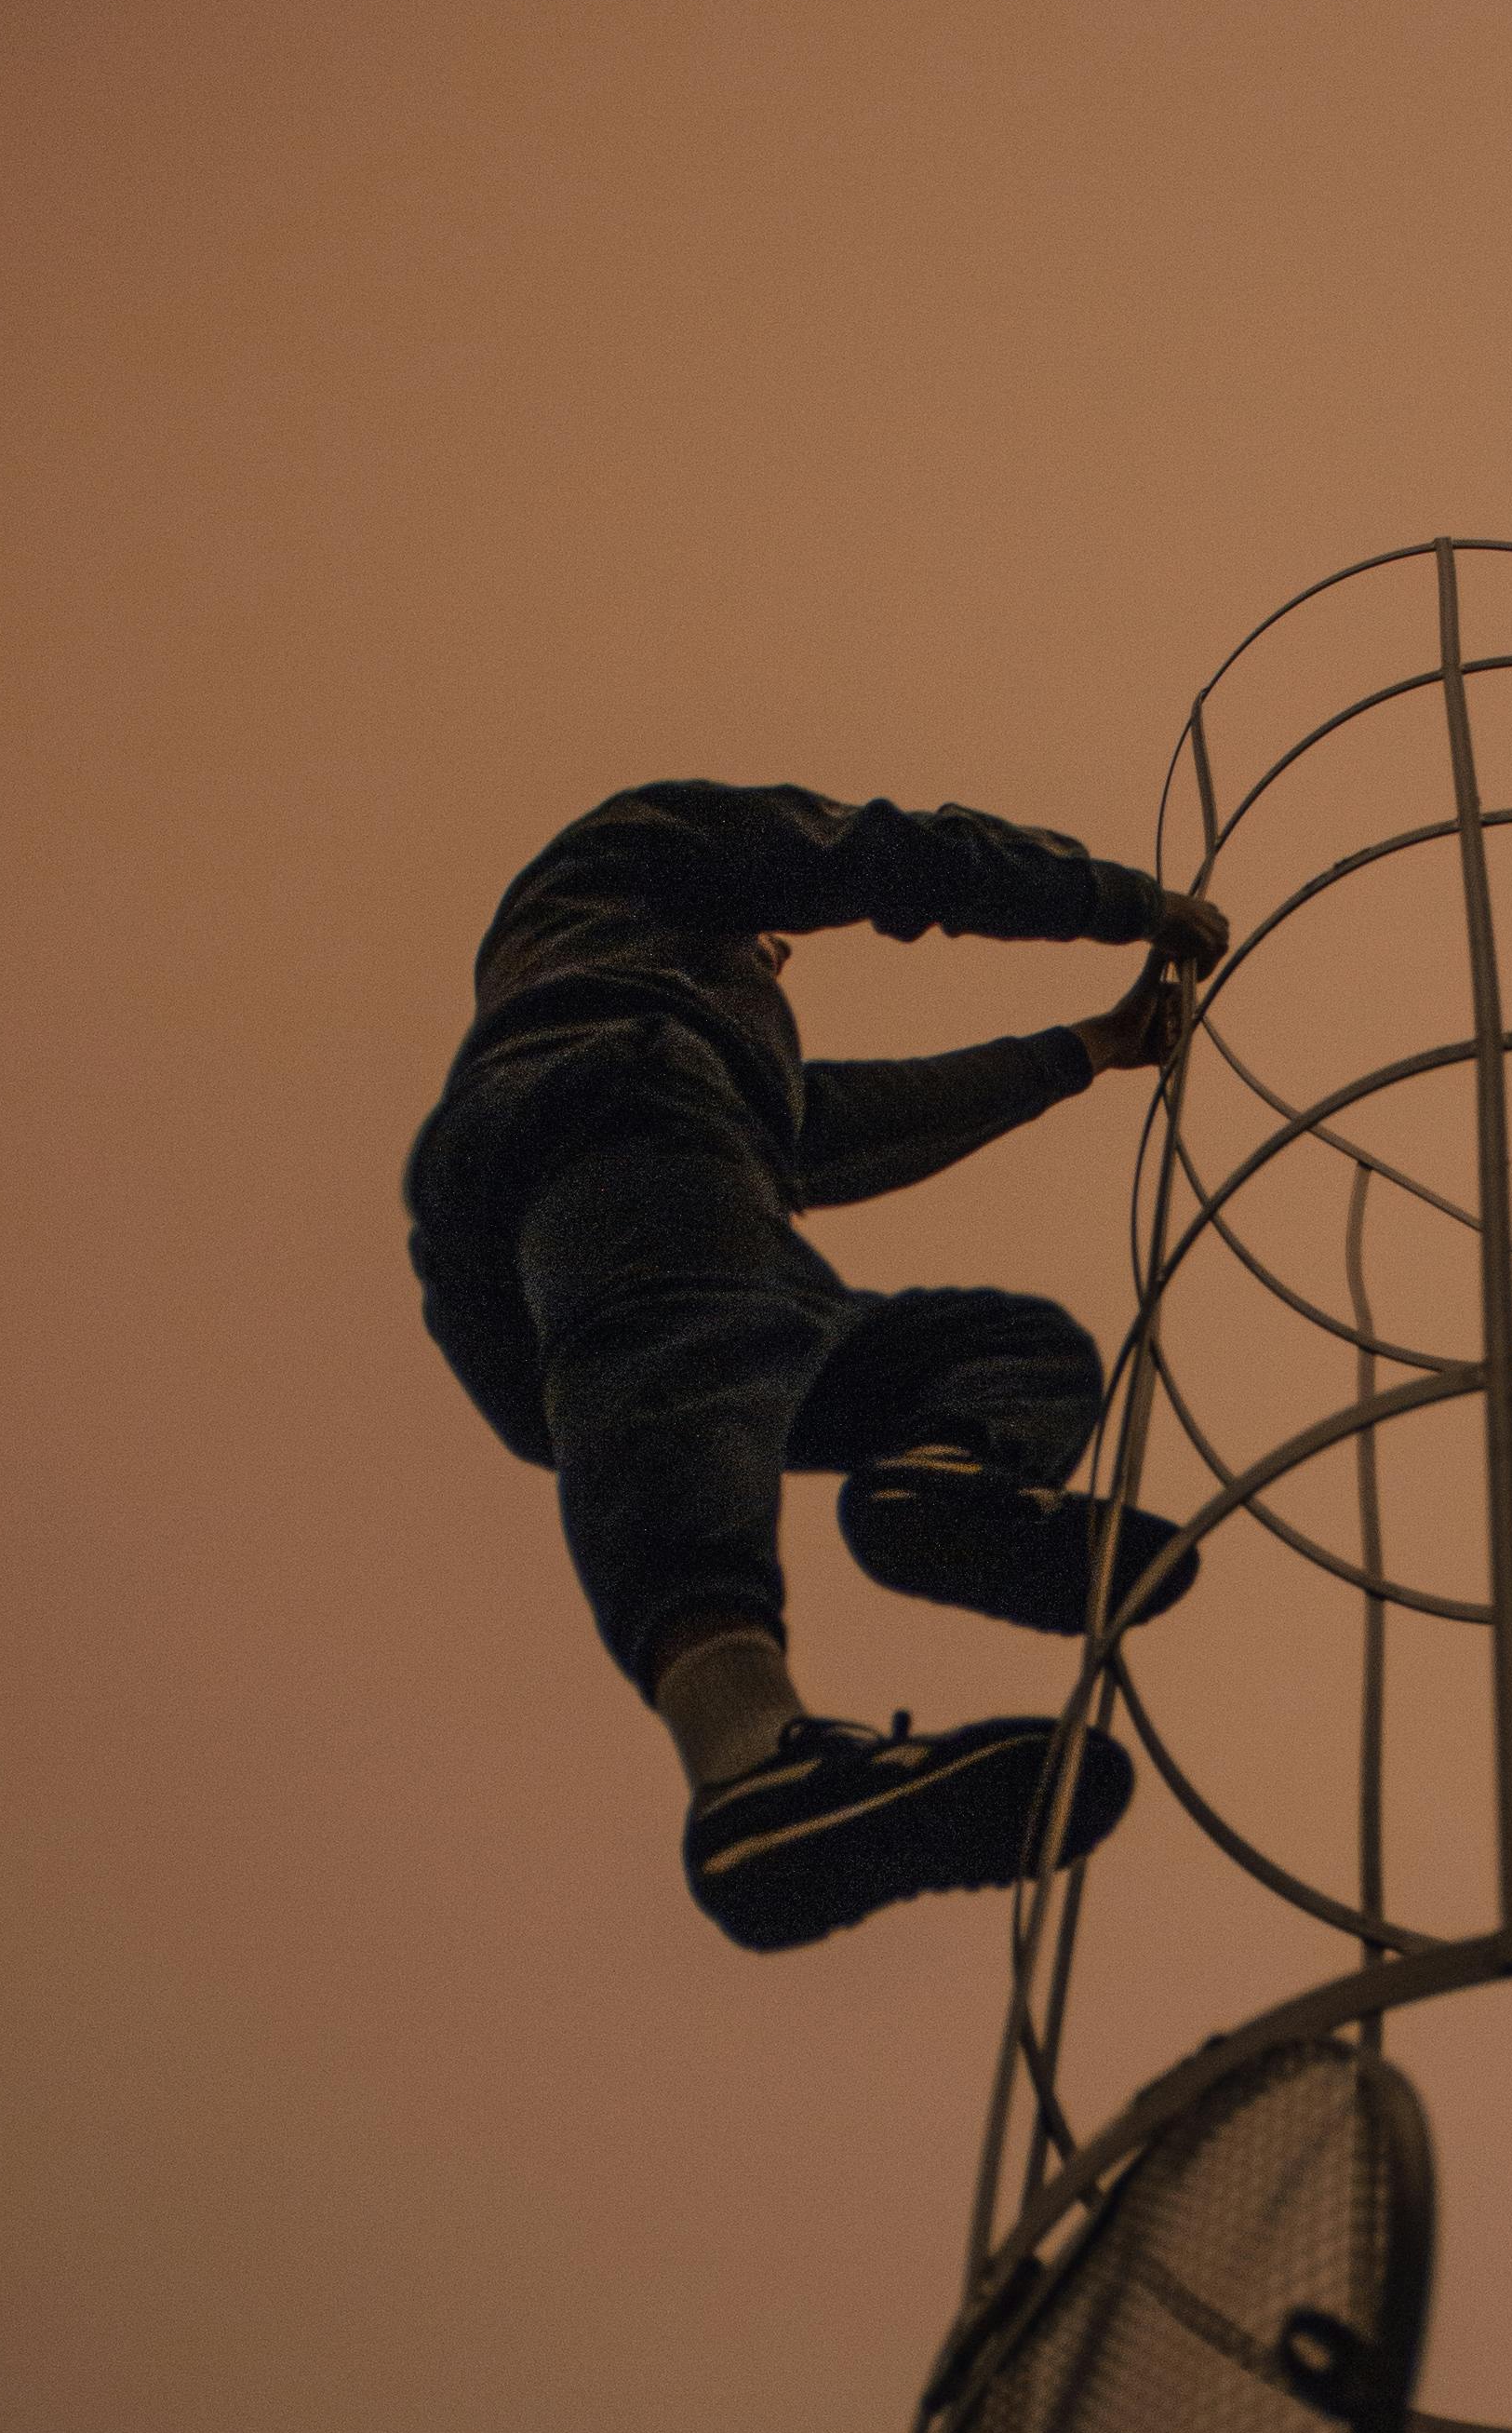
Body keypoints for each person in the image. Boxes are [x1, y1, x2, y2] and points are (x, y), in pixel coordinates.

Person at [405, 777, 1227, 1951]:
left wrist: (1089, 1048)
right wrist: (1125, 902)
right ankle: (751, 1764)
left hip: (627, 1258)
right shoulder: (631, 870)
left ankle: (940, 1481)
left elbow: (864, 1120)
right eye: (769, 947)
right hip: (604, 1128)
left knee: (1001, 1351)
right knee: (690, 1356)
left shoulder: (719, 1062)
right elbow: (882, 853)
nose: (775, 964)